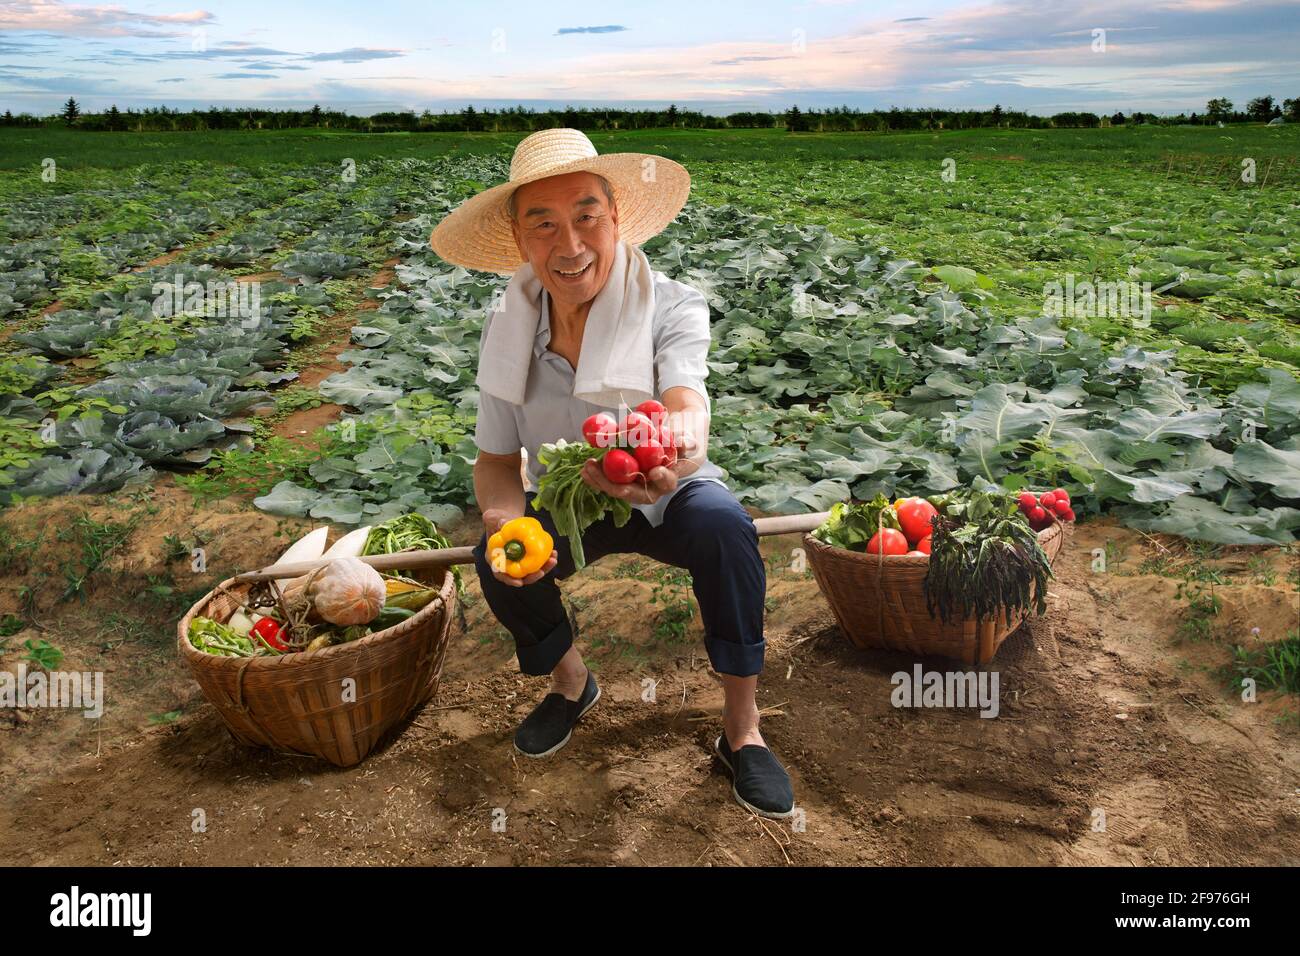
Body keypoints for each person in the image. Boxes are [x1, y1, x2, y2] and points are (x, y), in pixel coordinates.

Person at [428, 128, 794, 818]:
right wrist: (507, 523)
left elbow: (686, 404)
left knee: (725, 530)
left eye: (586, 217)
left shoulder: (674, 303)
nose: (569, 246)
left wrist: (673, 454)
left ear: (616, 217)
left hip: (665, 491)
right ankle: (572, 685)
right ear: (518, 237)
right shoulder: (508, 327)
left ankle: (743, 729)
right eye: (544, 224)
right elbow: (498, 462)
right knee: (496, 556)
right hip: (570, 502)